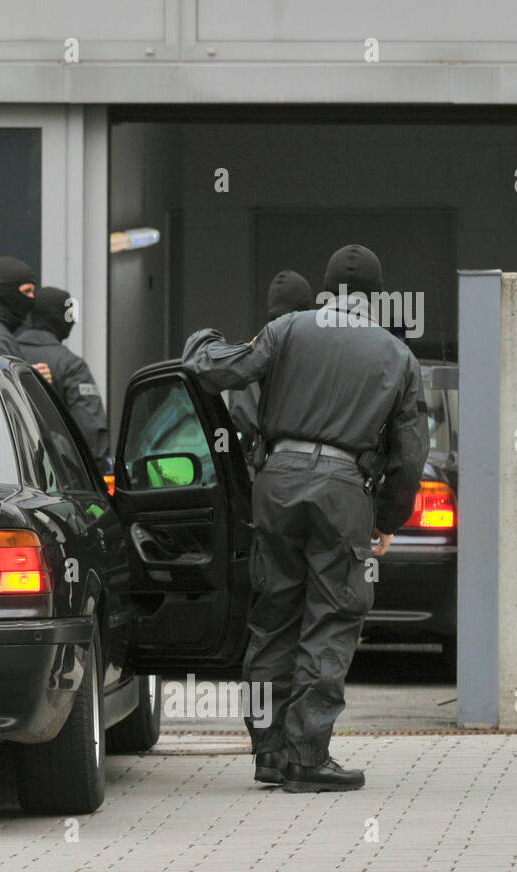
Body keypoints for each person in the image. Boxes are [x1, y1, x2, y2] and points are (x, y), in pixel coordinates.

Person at [181, 244, 429, 793]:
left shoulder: (288, 328)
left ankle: (268, 754)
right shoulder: (397, 356)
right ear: (380, 297)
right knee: (331, 619)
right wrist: (387, 517)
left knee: (273, 618)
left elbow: (221, 370)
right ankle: (307, 758)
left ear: (324, 288)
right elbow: (409, 456)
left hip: (278, 482)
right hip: (345, 492)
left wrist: (200, 341)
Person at [16, 286, 110, 472]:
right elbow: (91, 433)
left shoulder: (7, 353)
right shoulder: (71, 365)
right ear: (58, 318)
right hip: (59, 475)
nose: (73, 321)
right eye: (69, 314)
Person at [228, 270, 314, 464]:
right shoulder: (320, 356)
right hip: (313, 467)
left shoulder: (250, 356)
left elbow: (242, 421)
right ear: (307, 311)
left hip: (264, 468)